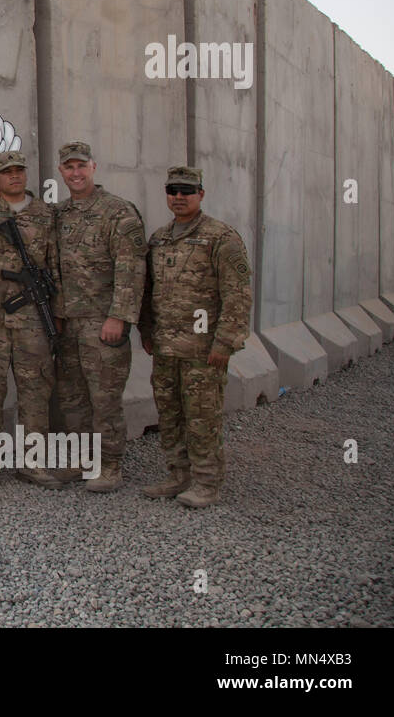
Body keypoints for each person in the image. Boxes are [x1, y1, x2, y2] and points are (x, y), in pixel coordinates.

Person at [138, 166, 252, 509]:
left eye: (187, 191)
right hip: (166, 347)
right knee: (170, 415)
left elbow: (238, 294)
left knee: (202, 417)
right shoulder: (159, 238)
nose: (179, 197)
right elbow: (147, 290)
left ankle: (207, 482)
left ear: (201, 194)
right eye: (173, 190)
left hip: (203, 350)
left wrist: (225, 342)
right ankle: (178, 474)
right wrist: (146, 331)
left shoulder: (221, 237)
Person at [0, 149, 65, 490]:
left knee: (35, 391)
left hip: (33, 320)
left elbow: (55, 268)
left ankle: (33, 461)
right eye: (7, 172)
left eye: (19, 170)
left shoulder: (46, 215)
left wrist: (57, 314)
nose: (14, 176)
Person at [53, 142, 146, 491]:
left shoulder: (118, 213)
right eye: (68, 167)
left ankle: (110, 465)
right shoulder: (59, 214)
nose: (75, 173)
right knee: (72, 398)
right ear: (61, 172)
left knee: (104, 399)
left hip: (103, 323)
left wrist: (119, 317)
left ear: (94, 167)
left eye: (81, 166)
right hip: (68, 324)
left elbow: (132, 269)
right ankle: (81, 460)